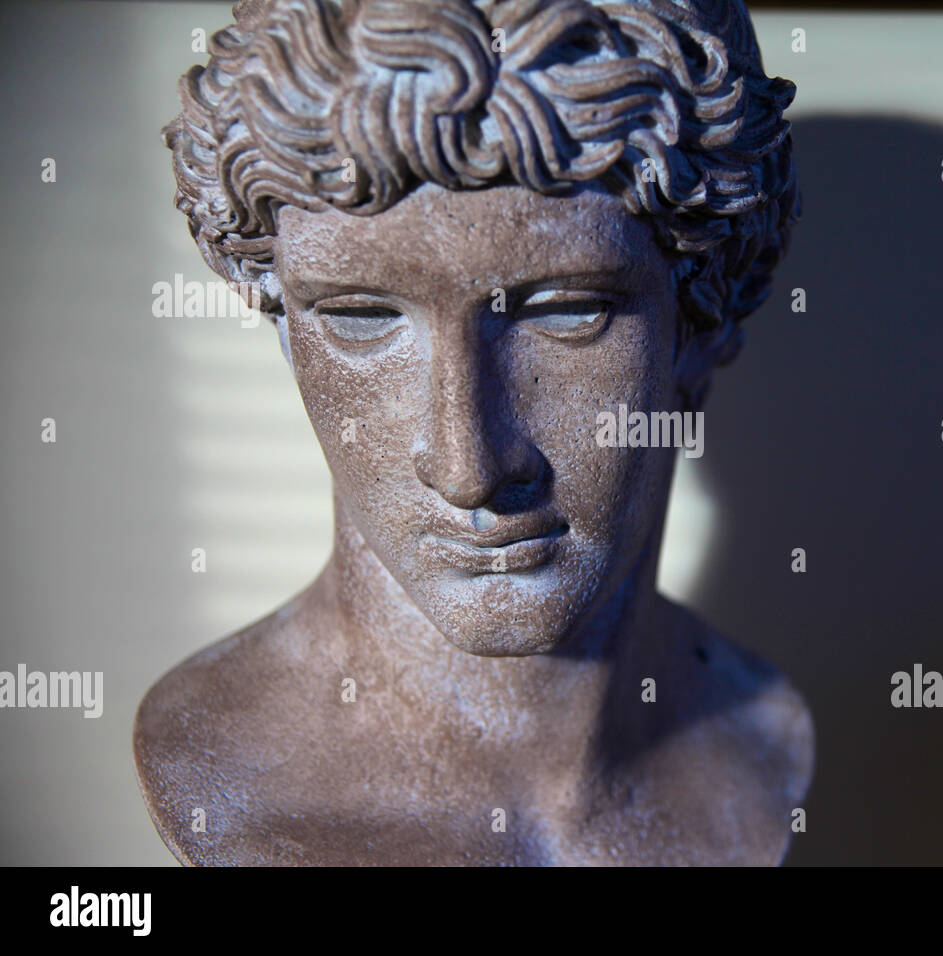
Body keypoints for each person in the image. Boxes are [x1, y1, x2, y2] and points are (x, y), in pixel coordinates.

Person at [135, 0, 813, 865]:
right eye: (359, 316)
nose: (470, 467)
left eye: (566, 312)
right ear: (276, 315)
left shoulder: (761, 745)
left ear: (706, 314)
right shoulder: (219, 780)